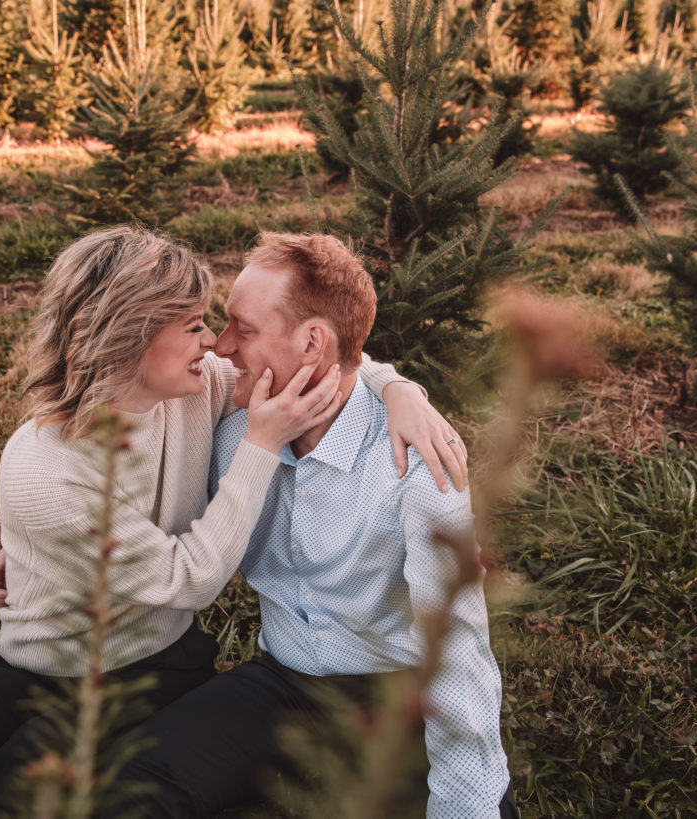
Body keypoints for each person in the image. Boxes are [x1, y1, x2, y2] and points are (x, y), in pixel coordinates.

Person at [0, 225, 466, 819]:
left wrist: (400, 389)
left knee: (16, 784)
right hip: (46, 664)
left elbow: (331, 355)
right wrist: (260, 446)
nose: (216, 344)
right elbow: (114, 524)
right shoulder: (42, 466)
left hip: (152, 662)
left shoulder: (195, 390)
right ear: (129, 337)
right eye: (196, 325)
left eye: (216, 322)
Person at [111, 232, 516, 818]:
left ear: (311, 342)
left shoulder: (414, 457)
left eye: (243, 330)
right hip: (282, 679)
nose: (222, 348)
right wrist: (43, 547)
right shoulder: (232, 429)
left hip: (395, 691)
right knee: (135, 788)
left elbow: (454, 646)